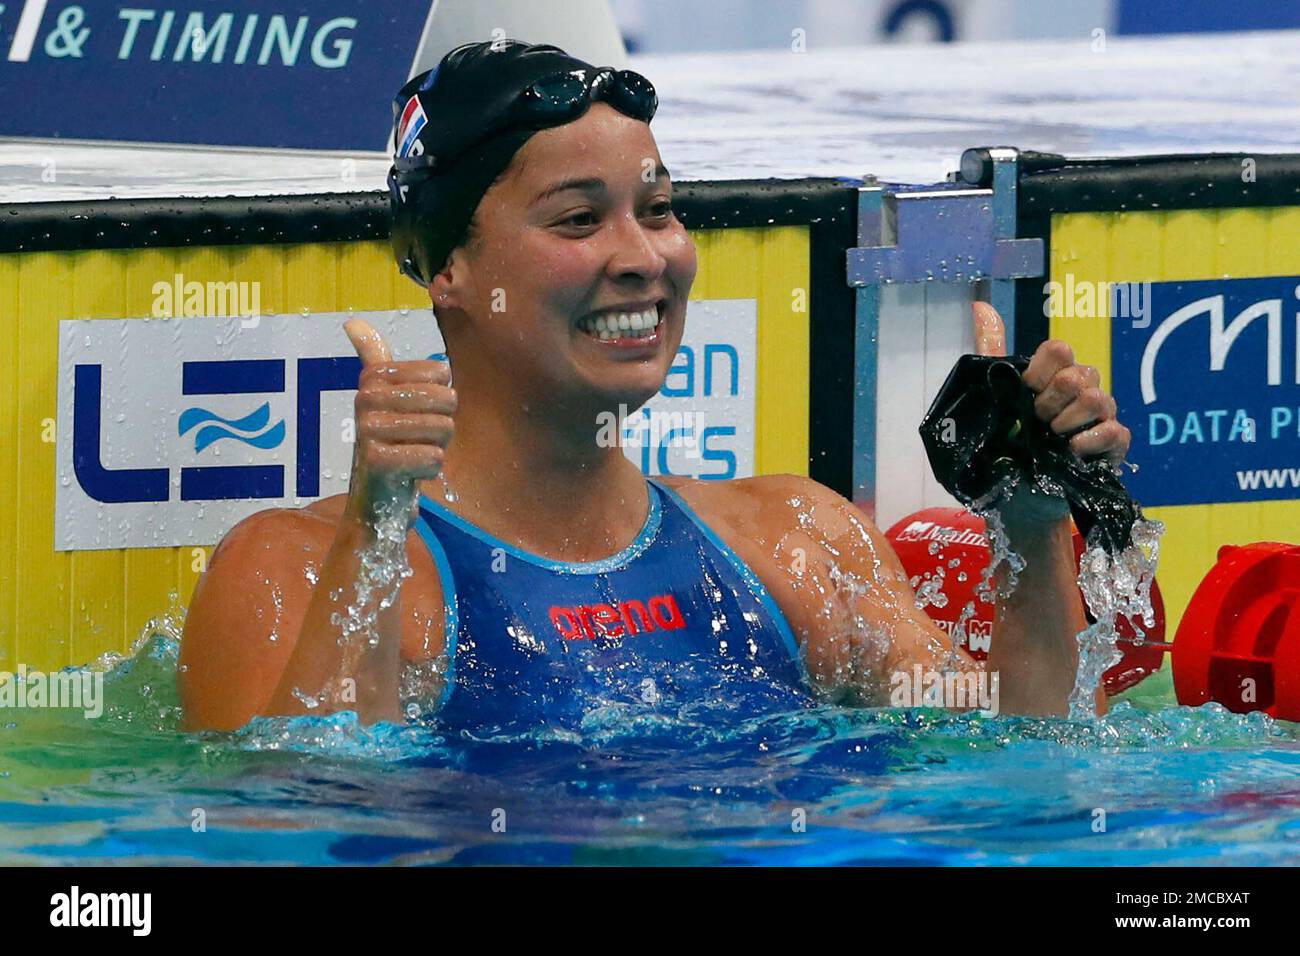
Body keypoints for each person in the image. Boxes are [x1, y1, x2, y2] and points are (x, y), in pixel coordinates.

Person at [178, 40, 1131, 733]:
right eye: (579, 218)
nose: (644, 258)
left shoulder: (800, 546)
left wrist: (1035, 523)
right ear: (447, 270)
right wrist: (377, 535)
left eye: (661, 210)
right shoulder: (289, 569)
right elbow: (309, 821)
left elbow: (1017, 759)